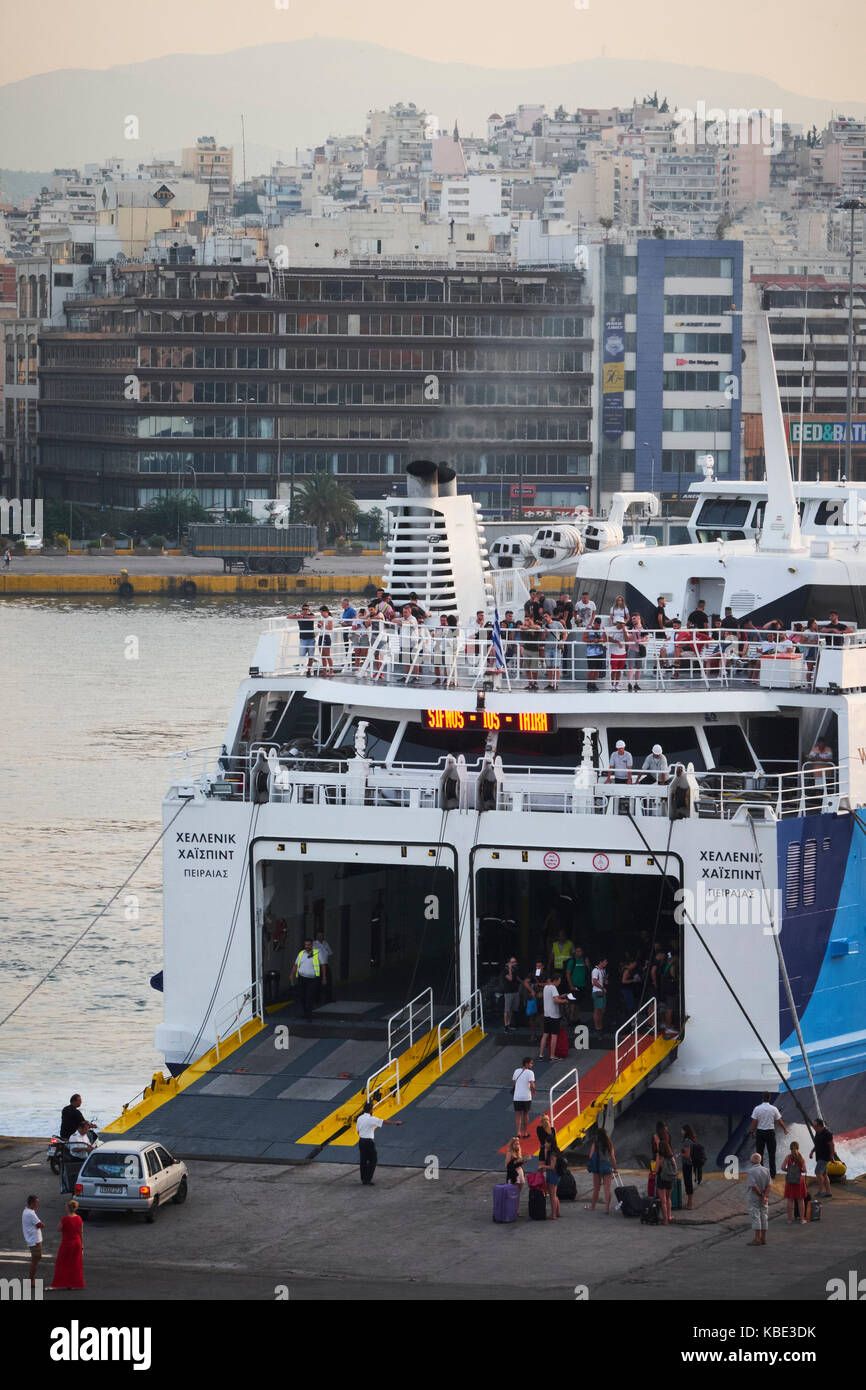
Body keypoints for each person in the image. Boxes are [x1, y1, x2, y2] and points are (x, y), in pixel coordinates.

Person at [356, 1101, 402, 1185]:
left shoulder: (359, 1118)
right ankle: (368, 1179)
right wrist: (395, 1123)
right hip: (368, 1142)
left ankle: (363, 1179)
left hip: (361, 1141)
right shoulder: (371, 1118)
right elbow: (383, 1121)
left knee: (363, 1160)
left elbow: (358, 1131)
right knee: (373, 1160)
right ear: (370, 1110)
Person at [749, 1092, 788, 1178]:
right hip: (770, 1132)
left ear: (762, 1098)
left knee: (759, 1154)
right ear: (769, 1098)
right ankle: (772, 1174)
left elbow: (754, 1122)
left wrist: (751, 1131)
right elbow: (779, 1121)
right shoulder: (773, 1109)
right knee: (772, 1154)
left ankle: (761, 1174)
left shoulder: (757, 1108)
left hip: (760, 1132)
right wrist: (785, 1129)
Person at [50, 1198, 85, 1291]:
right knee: (75, 1264)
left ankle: (57, 1283)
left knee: (61, 1263)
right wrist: (82, 1245)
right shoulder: (79, 1218)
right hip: (77, 1243)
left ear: (68, 1208)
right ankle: (72, 1283)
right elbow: (81, 1232)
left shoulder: (65, 1219)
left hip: (67, 1243)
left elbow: (58, 1229)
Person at [537, 974, 569, 1060]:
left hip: (547, 1014)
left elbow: (553, 998)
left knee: (545, 1034)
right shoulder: (553, 988)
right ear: (556, 980)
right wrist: (564, 1000)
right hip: (554, 1015)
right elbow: (556, 1000)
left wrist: (561, 996)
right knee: (554, 1035)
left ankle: (540, 1055)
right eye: (559, 980)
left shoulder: (546, 987)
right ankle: (552, 1056)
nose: (560, 982)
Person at [536, 1115, 561, 1219]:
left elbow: (548, 1164)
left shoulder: (539, 1129)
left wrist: (543, 1166)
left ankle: (554, 1214)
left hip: (544, 1151)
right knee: (554, 1193)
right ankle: (558, 1212)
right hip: (549, 1151)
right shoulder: (553, 1130)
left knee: (552, 1193)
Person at [290, 938, 321, 1020]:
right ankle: (306, 1013)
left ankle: (309, 1015)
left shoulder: (316, 953)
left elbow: (323, 965)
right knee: (302, 997)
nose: (307, 946)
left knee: (309, 997)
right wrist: (292, 974)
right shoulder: (301, 953)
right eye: (305, 945)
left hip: (312, 979)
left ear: (312, 945)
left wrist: (324, 977)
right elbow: (296, 965)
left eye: (308, 945)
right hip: (302, 978)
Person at [587, 1129, 617, 1213]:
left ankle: (593, 1207)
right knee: (607, 1189)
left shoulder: (595, 1144)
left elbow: (590, 1156)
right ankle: (607, 1208)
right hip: (607, 1167)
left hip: (597, 1167)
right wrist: (615, 1168)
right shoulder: (609, 1144)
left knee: (596, 1189)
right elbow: (613, 1158)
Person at [809, 1117, 838, 1199]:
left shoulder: (827, 1133)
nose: (814, 1127)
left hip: (824, 1157)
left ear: (820, 1126)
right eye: (813, 1126)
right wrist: (812, 1151)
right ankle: (828, 1192)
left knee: (818, 1172)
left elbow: (832, 1145)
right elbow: (817, 1144)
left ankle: (821, 1191)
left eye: (815, 1126)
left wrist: (832, 1156)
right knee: (824, 1174)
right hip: (819, 1156)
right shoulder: (817, 1132)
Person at [746, 1151, 771, 1246]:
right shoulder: (766, 1170)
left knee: (755, 1216)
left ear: (751, 1161)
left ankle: (757, 1239)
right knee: (764, 1216)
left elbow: (753, 1186)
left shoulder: (751, 1171)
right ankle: (763, 1238)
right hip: (765, 1197)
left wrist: (761, 1195)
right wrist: (765, 1196)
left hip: (755, 1197)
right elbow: (769, 1185)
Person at [781, 1141, 808, 1225]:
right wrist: (799, 1170)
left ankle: (789, 1219)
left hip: (790, 1181)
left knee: (790, 1200)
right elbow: (805, 1170)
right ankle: (802, 1219)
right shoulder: (801, 1158)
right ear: (798, 1148)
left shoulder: (788, 1157)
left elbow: (782, 1168)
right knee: (800, 1200)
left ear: (790, 1148)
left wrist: (789, 1170)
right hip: (799, 1181)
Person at [22, 1195, 44, 1290]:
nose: (37, 1204)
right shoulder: (31, 1214)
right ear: (32, 1203)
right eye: (36, 1203)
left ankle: (31, 1279)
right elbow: (40, 1224)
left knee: (36, 1258)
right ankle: (31, 1280)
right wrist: (42, 1224)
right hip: (34, 1240)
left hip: (33, 1239)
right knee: (35, 1260)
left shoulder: (27, 1211)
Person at [680, 1124, 703, 1210]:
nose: (681, 1131)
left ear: (685, 1131)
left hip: (687, 1164)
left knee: (688, 1183)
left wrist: (679, 1154)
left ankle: (689, 1204)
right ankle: (689, 1203)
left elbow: (687, 1155)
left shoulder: (687, 1141)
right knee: (688, 1183)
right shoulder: (692, 1140)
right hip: (691, 1164)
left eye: (682, 1130)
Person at [654, 1139, 678, 1225]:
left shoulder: (660, 1157)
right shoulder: (671, 1157)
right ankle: (670, 1216)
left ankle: (665, 1220)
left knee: (663, 1200)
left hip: (662, 1179)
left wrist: (657, 1159)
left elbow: (656, 1170)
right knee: (668, 1198)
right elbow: (675, 1168)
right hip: (670, 1179)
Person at [511, 1057, 536, 1138]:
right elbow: (532, 1085)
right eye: (531, 1063)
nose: (532, 1065)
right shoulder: (530, 1072)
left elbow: (514, 1084)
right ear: (526, 1064)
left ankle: (518, 1132)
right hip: (526, 1097)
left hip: (517, 1097)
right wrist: (533, 1091)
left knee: (518, 1115)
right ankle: (525, 1133)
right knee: (526, 1114)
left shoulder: (516, 1071)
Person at [542, 612, 566, 689]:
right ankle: (550, 683)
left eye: (546, 616)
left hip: (556, 648)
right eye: (544, 617)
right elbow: (543, 638)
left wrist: (562, 642)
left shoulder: (558, 624)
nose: (545, 618)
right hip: (548, 648)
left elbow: (565, 633)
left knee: (557, 666)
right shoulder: (544, 626)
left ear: (550, 616)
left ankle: (557, 684)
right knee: (549, 667)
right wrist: (544, 633)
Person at [520, 616, 543, 691]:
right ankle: (530, 682)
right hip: (526, 649)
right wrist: (527, 627)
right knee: (527, 668)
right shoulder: (525, 627)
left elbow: (538, 627)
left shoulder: (535, 627)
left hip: (535, 650)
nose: (526, 621)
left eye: (528, 619)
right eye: (525, 620)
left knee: (534, 669)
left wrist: (529, 627)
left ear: (531, 620)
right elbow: (521, 627)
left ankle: (535, 683)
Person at [584, 617, 607, 692]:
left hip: (599, 652)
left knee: (597, 669)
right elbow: (584, 639)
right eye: (596, 625)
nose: (598, 626)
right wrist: (592, 640)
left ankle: (594, 683)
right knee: (591, 669)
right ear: (594, 623)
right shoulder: (588, 628)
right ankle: (589, 683)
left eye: (599, 625)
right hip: (590, 653)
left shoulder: (602, 629)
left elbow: (605, 639)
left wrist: (600, 640)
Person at [294, 602, 317, 674]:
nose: (306, 611)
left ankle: (309, 670)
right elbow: (288, 617)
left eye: (307, 609)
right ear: (302, 609)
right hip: (303, 639)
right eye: (304, 609)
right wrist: (297, 616)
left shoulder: (311, 615)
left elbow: (313, 617)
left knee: (311, 656)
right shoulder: (299, 616)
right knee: (301, 655)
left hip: (311, 639)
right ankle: (301, 667)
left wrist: (303, 617)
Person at [501, 956, 522, 1032]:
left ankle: (509, 1023)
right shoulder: (505, 970)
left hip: (515, 992)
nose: (514, 963)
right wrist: (509, 968)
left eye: (515, 962)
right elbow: (510, 978)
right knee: (507, 1010)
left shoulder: (515, 970)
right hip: (508, 992)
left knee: (513, 1009)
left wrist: (523, 983)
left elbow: (517, 978)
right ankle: (506, 1025)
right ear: (509, 963)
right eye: (512, 962)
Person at [626, 614, 646, 691]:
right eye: (632, 619)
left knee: (638, 668)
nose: (633, 620)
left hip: (639, 649)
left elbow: (647, 638)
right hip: (632, 649)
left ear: (639, 618)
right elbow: (629, 638)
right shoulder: (631, 628)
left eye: (634, 619)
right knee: (630, 667)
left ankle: (636, 684)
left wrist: (641, 640)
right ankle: (629, 684)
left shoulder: (643, 628)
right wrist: (633, 632)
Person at [314, 928, 334, 1004]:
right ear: (316, 936)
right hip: (318, 966)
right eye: (318, 936)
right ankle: (317, 1000)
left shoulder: (326, 943)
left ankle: (329, 998)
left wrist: (329, 963)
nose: (320, 937)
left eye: (321, 935)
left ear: (323, 936)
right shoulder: (314, 944)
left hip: (325, 965)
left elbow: (330, 954)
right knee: (318, 983)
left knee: (329, 981)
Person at [607, 620, 627, 691]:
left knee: (619, 670)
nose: (621, 625)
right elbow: (609, 638)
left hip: (622, 652)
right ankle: (612, 685)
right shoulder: (612, 629)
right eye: (620, 623)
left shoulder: (625, 629)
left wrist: (624, 631)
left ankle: (617, 684)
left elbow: (627, 640)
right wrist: (617, 642)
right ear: (617, 623)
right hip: (614, 652)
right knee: (614, 670)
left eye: (623, 623)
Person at [591, 957, 608, 1033]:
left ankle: (600, 1026)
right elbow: (594, 982)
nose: (606, 963)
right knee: (597, 1010)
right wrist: (602, 988)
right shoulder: (595, 970)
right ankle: (597, 1028)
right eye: (605, 961)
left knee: (602, 1010)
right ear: (601, 962)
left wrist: (605, 981)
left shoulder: (603, 970)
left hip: (602, 991)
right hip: (597, 991)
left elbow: (602, 981)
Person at [317, 606, 334, 676]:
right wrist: (319, 625)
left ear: (326, 612)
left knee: (327, 655)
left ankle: (331, 671)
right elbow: (321, 627)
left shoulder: (330, 618)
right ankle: (324, 671)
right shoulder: (321, 618)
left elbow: (330, 628)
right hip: (321, 636)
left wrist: (323, 624)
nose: (321, 614)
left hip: (326, 636)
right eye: (320, 612)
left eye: (322, 612)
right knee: (322, 655)